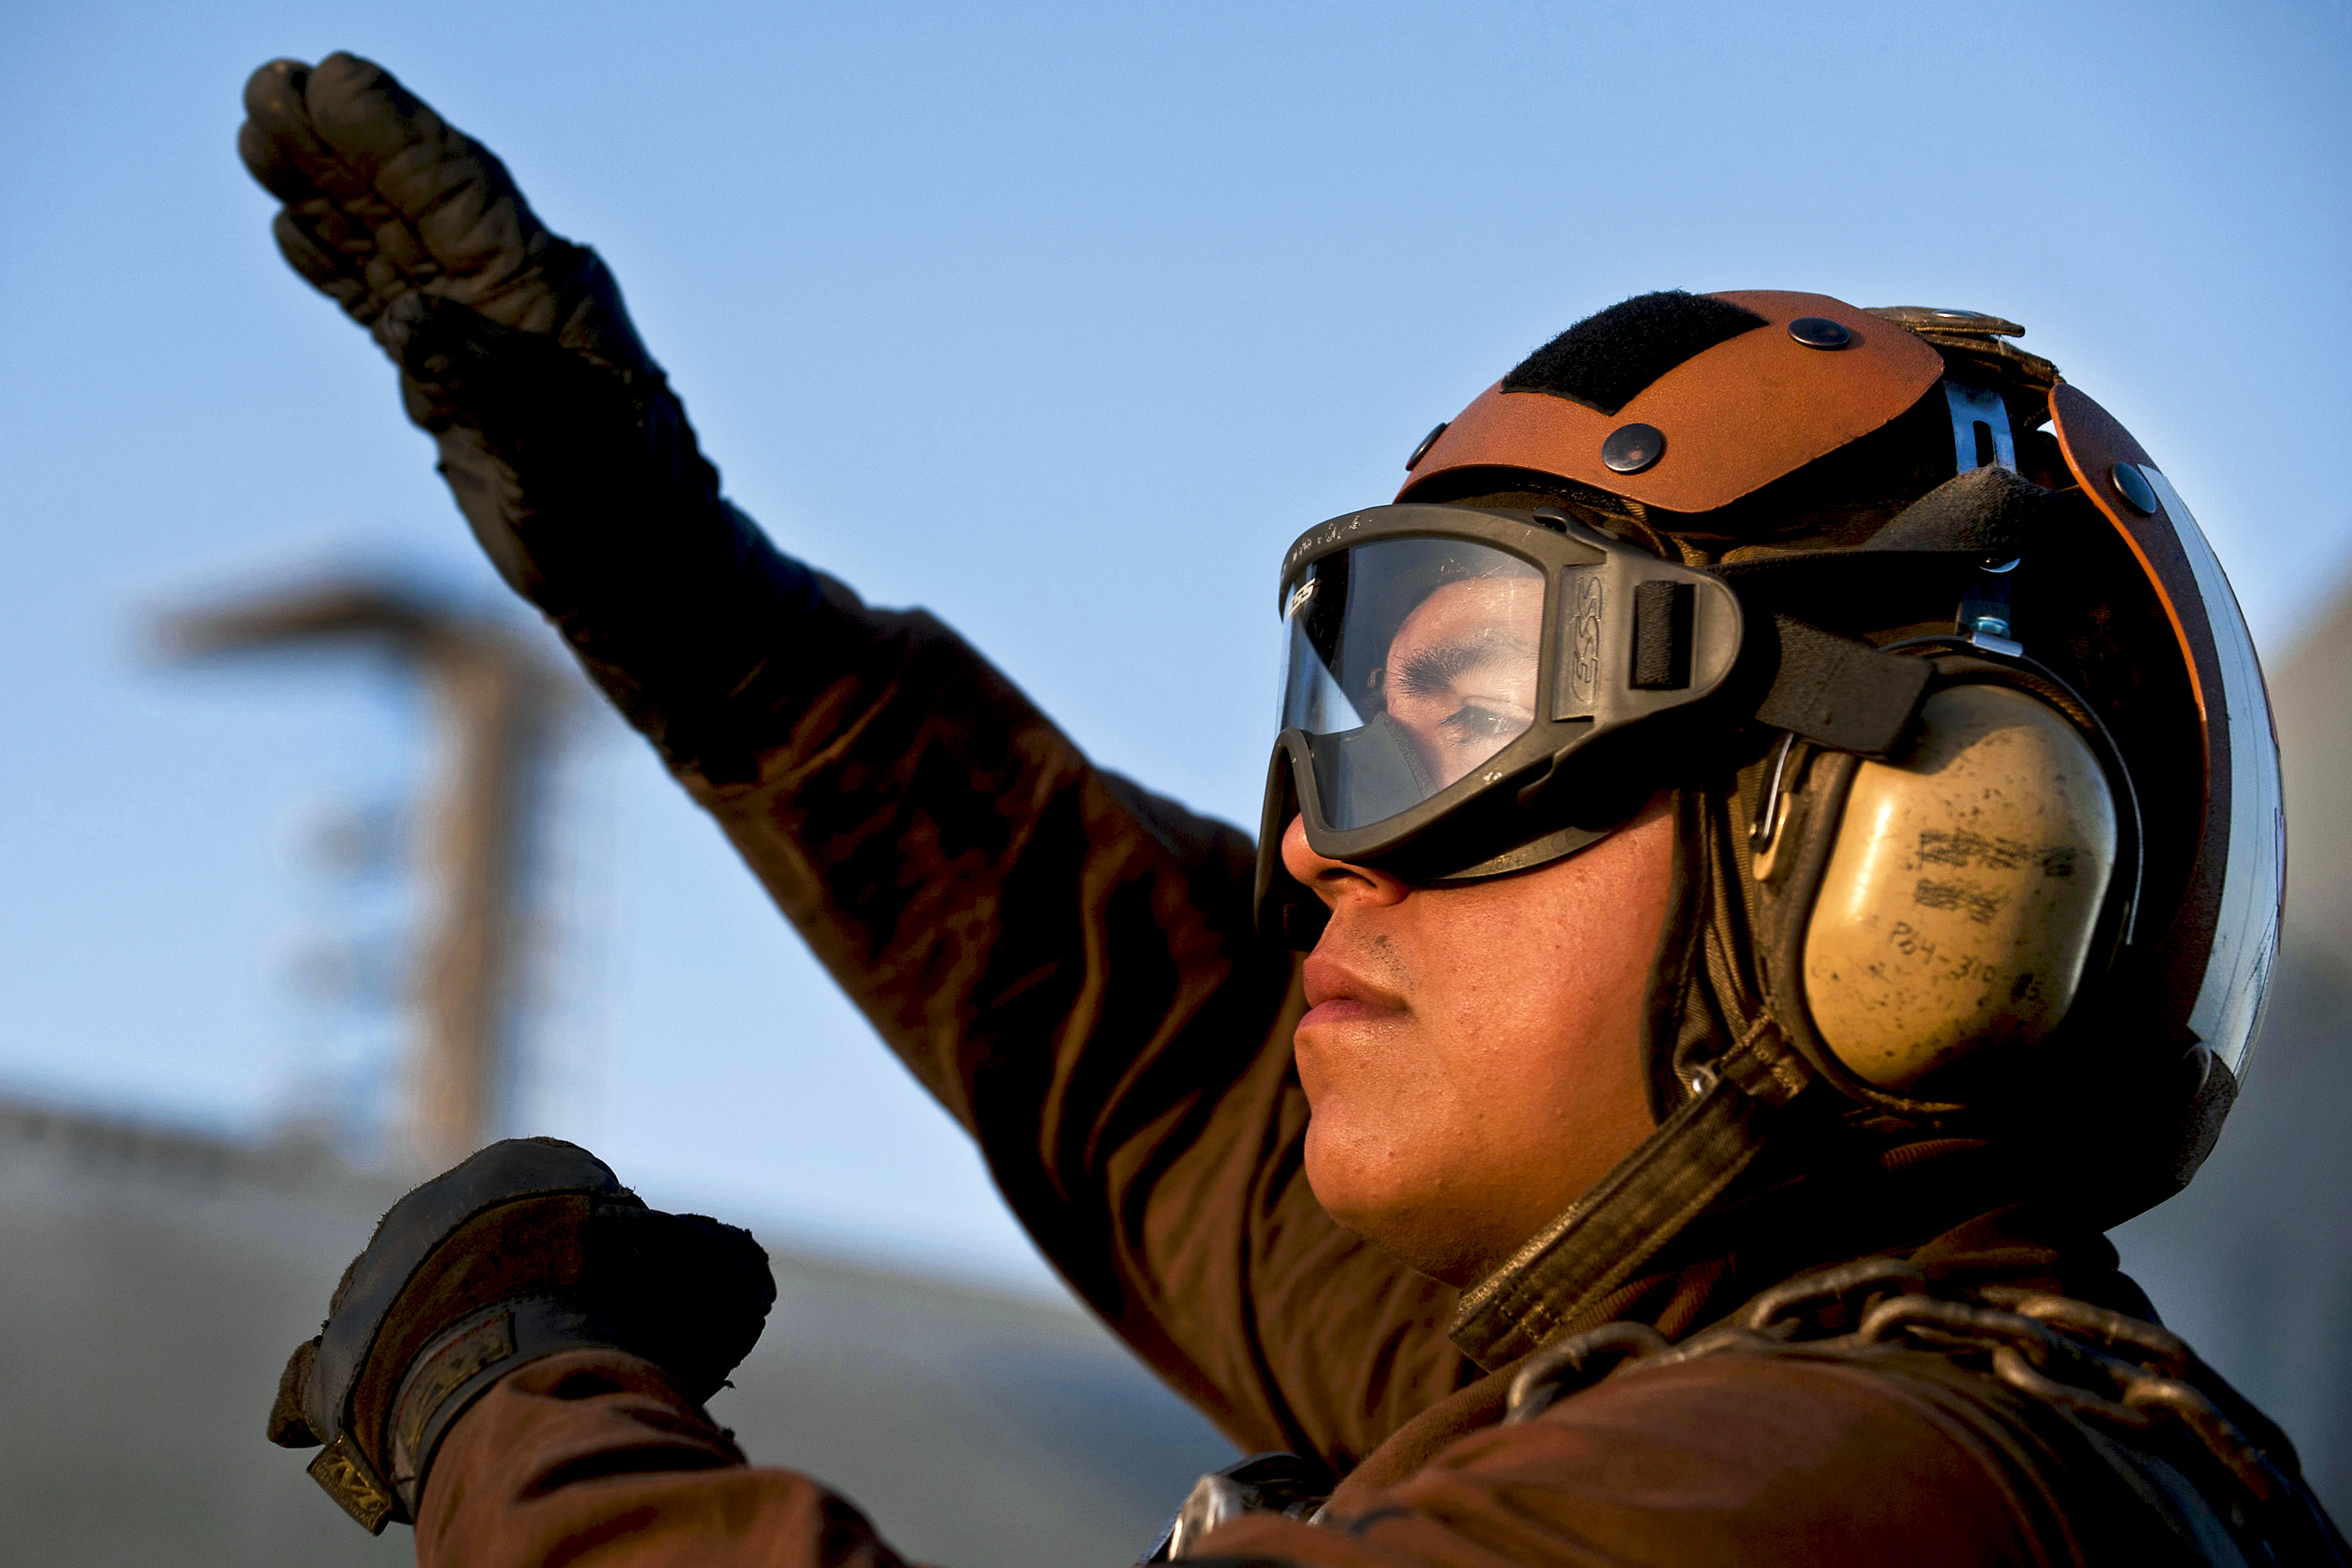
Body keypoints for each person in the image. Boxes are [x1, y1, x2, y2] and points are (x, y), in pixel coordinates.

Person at [240, 51, 2347, 1567]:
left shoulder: (1860, 1496)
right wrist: (695, 608)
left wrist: (515, 1414)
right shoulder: (1790, 1376)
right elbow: (1152, 1067)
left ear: (1910, 875)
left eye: (1462, 722)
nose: (1322, 850)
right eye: (1348, 728)